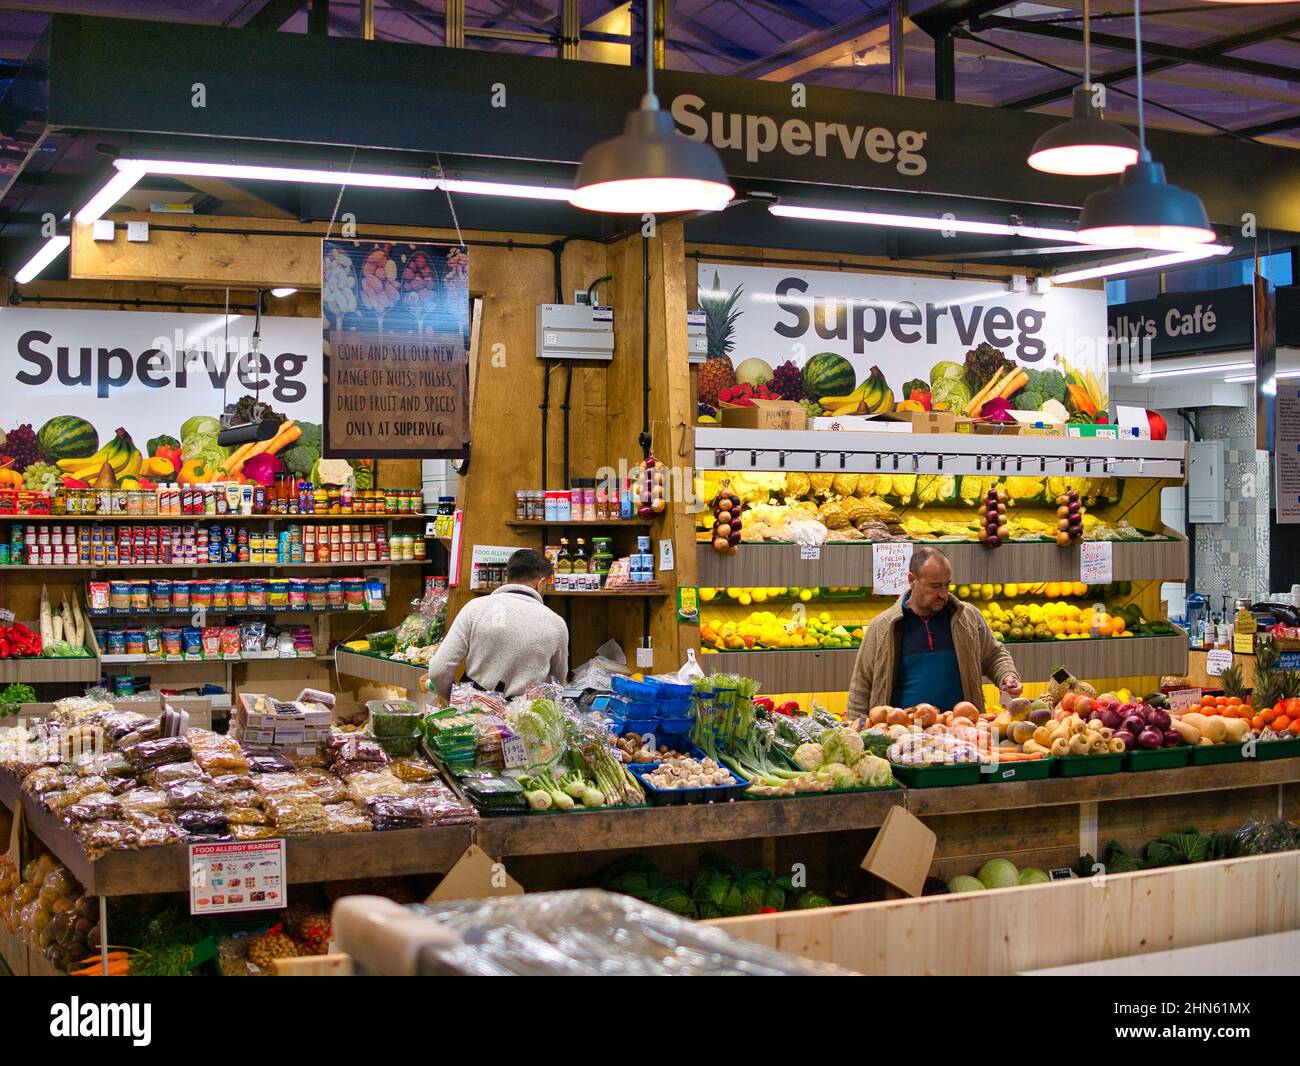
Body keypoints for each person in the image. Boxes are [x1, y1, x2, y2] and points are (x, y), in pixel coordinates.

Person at [847, 545, 1021, 720]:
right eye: (935, 586)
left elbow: (994, 655)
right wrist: (856, 728)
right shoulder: (883, 627)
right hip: (902, 735)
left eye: (947, 585)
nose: (943, 594)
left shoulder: (967, 617)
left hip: (961, 730)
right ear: (911, 580)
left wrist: (1007, 676)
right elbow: (861, 686)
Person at [425, 548, 569, 701]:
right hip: (525, 718)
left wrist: (454, 698)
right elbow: (556, 685)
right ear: (541, 584)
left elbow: (438, 669)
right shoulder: (556, 623)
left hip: (474, 712)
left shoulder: (475, 608)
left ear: (508, 577)